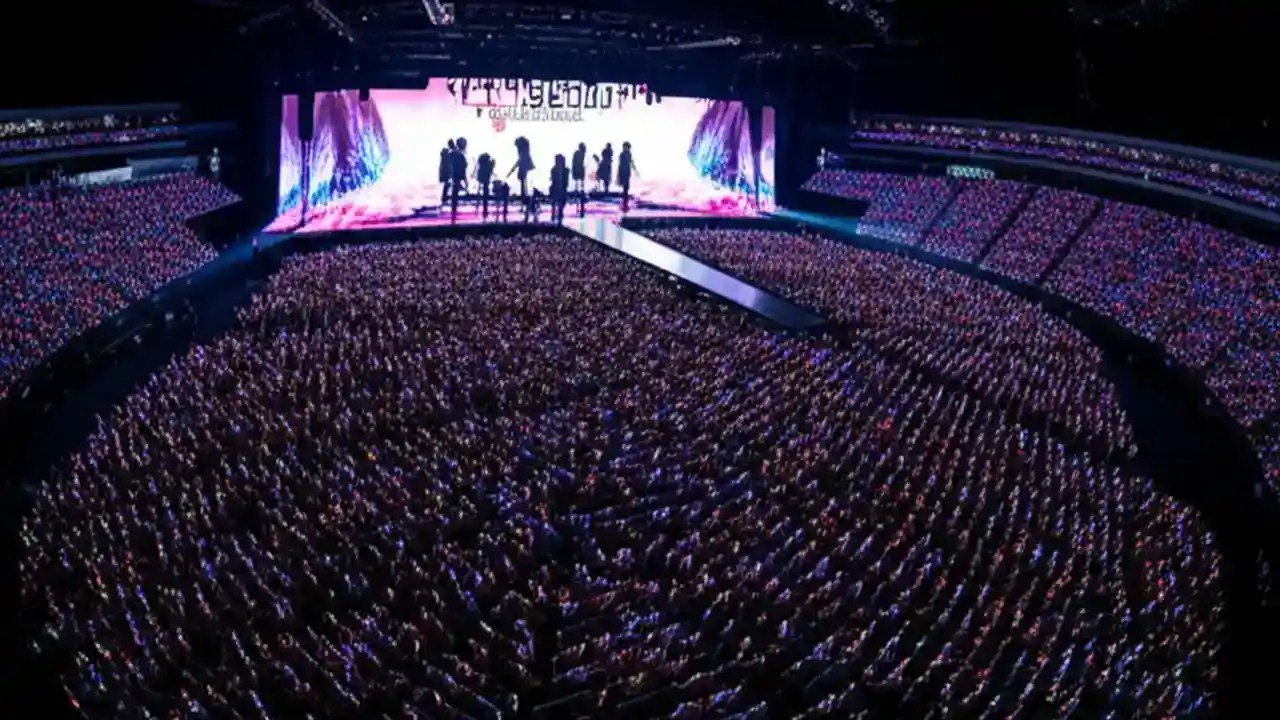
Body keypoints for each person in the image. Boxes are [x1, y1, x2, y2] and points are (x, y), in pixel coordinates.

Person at [507, 137, 535, 202]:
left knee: (522, 179)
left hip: (524, 165)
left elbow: (520, 160)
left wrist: (512, 169)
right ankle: (524, 196)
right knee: (523, 180)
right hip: (525, 165)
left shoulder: (523, 153)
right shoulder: (524, 153)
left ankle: (524, 197)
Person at [618, 142, 637, 212]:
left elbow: (631, 162)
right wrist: (619, 174)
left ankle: (625, 202)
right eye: (626, 147)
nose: (627, 148)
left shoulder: (628, 154)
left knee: (626, 187)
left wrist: (635, 169)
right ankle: (624, 203)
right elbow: (620, 164)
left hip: (627, 172)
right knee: (625, 187)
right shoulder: (622, 154)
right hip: (623, 171)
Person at [549, 154, 570, 223]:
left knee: (559, 202)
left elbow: (553, 179)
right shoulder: (556, 169)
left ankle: (556, 214)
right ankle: (556, 214)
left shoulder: (555, 169)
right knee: (558, 202)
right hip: (558, 188)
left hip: (559, 188)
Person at [476, 152, 496, 220]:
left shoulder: (481, 165)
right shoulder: (488, 165)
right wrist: (493, 163)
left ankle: (480, 206)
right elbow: (490, 170)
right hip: (485, 180)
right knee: (485, 194)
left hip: (481, 178)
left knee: (482, 191)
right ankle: (485, 210)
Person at [439, 141, 454, 206]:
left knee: (447, 185)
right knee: (447, 185)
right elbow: (448, 164)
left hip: (444, 171)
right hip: (447, 171)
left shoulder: (445, 152)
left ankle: (444, 199)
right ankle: (444, 199)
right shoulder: (447, 153)